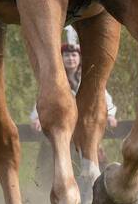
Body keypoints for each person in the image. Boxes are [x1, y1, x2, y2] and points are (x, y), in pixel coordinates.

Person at [30, 27, 117, 181]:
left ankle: (97, 189)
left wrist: (110, 115)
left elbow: (100, 96)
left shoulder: (88, 79)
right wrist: (37, 118)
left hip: (84, 131)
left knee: (95, 156)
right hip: (63, 131)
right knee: (52, 160)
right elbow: (44, 99)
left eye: (73, 55)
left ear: (79, 58)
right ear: (62, 58)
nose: (70, 59)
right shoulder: (54, 81)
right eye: (67, 55)